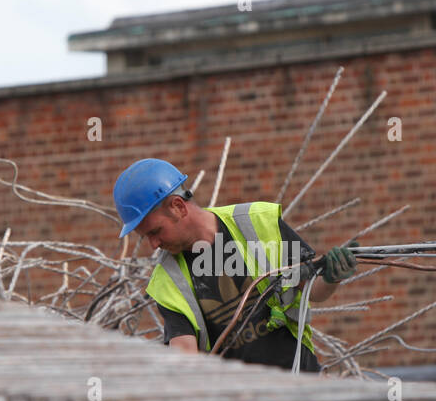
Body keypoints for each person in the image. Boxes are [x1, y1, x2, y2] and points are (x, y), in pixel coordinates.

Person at [113, 158, 358, 372]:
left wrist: (331, 277)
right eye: (146, 237)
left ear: (178, 207)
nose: (153, 245)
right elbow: (184, 353)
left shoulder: (257, 221)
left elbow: (310, 290)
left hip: (301, 381)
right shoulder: (167, 280)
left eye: (155, 231)